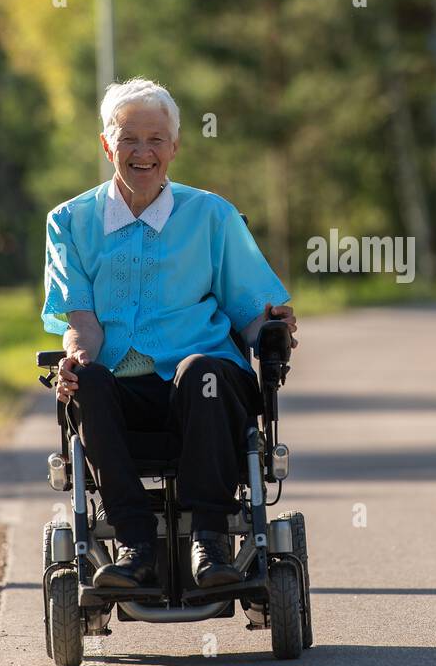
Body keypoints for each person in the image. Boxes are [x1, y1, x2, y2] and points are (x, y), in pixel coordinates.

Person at [41, 77, 297, 589]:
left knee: (202, 370)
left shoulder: (212, 216)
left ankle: (211, 540)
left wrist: (273, 324)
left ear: (175, 146)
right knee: (89, 380)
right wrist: (75, 361)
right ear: (106, 144)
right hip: (124, 388)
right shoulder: (69, 222)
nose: (142, 152)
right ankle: (135, 546)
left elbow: (249, 313)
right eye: (128, 138)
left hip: (205, 387)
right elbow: (83, 326)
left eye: (156, 139)